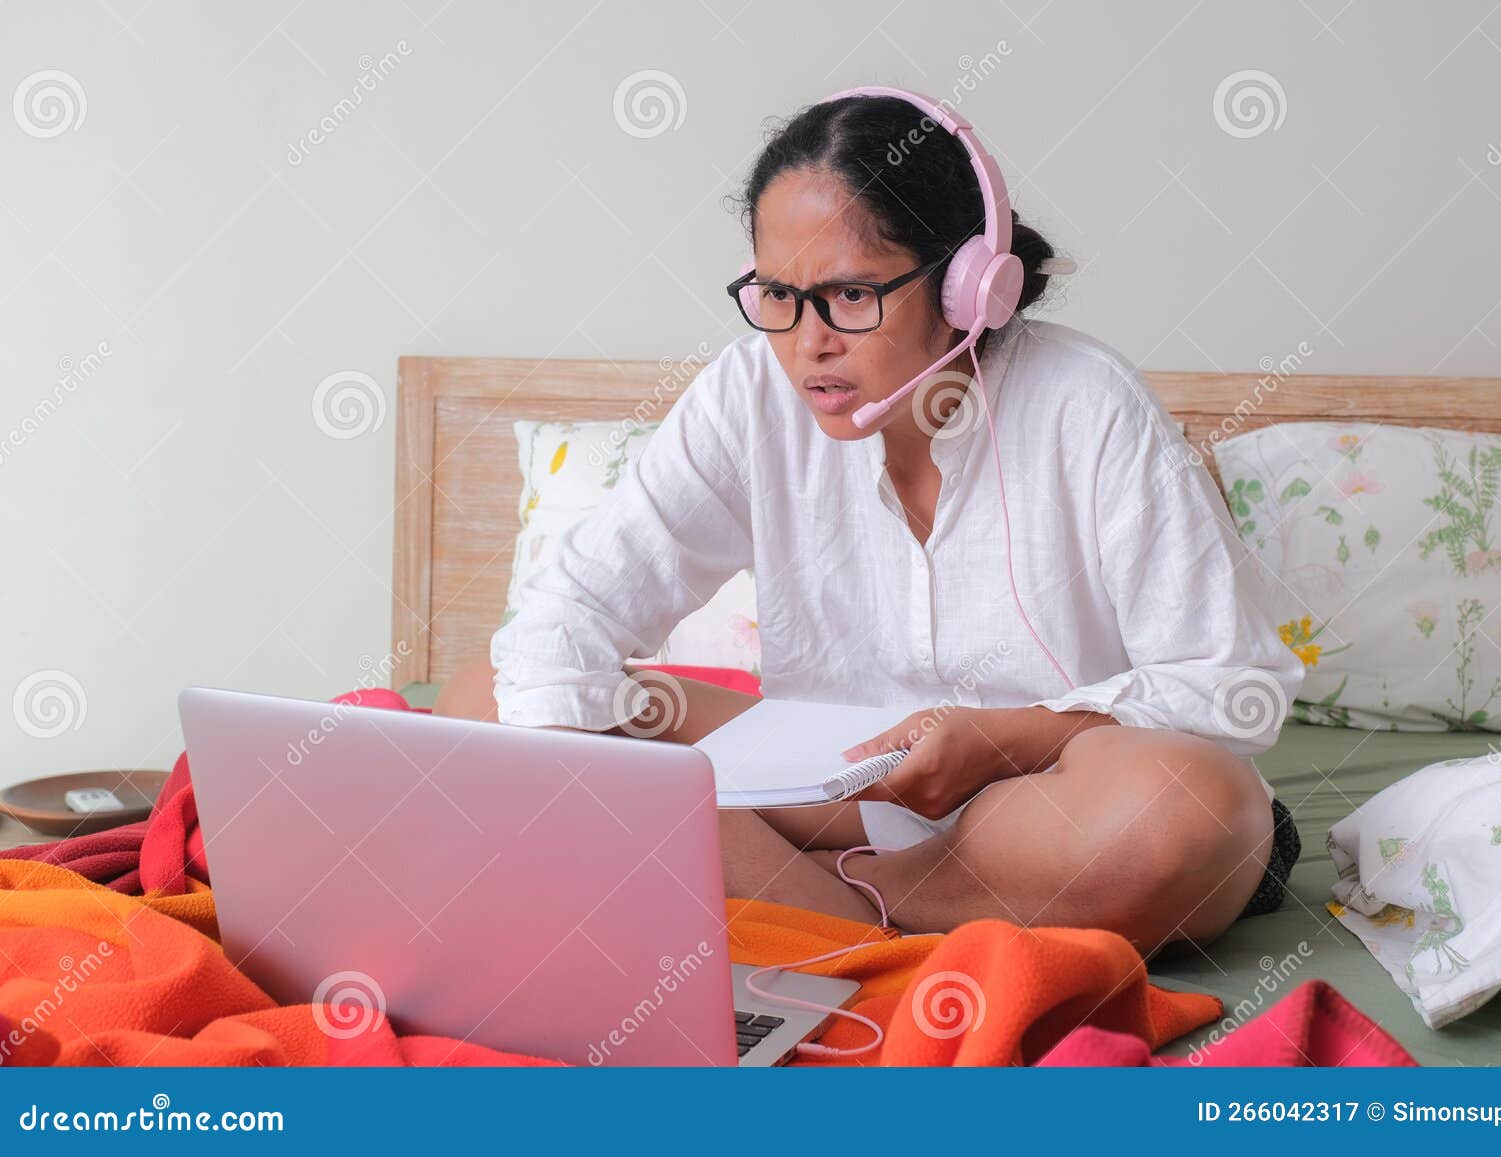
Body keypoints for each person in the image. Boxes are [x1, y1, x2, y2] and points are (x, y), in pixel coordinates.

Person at [436, 90, 1305, 954]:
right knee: (486, 702)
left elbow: (1233, 687)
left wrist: (1008, 737)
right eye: (778, 294)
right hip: (834, 782)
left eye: (850, 295)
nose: (809, 341)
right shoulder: (748, 394)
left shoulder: (1092, 405)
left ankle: (799, 904)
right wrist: (571, 777)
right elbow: (568, 616)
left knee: (1190, 809)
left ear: (969, 288)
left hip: (1042, 801)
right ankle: (856, 925)